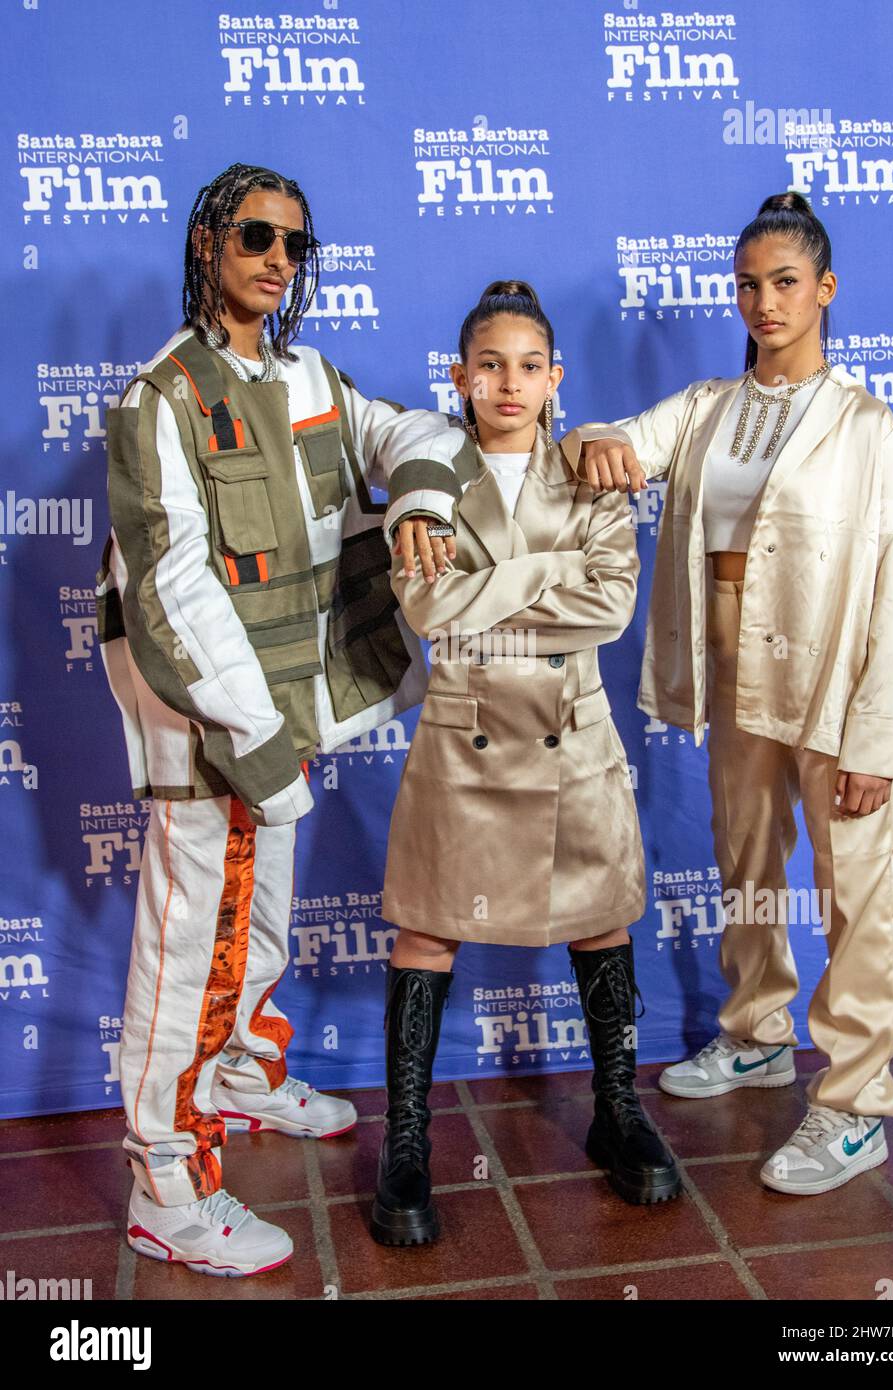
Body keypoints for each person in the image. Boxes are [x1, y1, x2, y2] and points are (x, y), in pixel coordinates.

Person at [96, 162, 451, 1275]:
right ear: (208, 244)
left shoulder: (306, 377)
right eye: (254, 236)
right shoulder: (160, 398)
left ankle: (243, 1070)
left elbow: (406, 432)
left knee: (263, 916)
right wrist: (250, 742)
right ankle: (164, 1178)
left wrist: (423, 502)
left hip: (285, 707)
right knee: (189, 939)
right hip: (204, 719)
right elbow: (170, 594)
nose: (275, 260)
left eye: (293, 243)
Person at [561, 193, 893, 1196]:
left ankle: (854, 1104)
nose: (764, 300)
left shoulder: (863, 424)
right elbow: (609, 438)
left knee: (857, 894)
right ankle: (758, 1030)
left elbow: (890, 582)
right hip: (729, 675)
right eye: (749, 284)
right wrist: (594, 441)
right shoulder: (709, 405)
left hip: (831, 686)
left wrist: (876, 737)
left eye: (785, 282)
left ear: (826, 289)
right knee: (749, 864)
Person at [370, 280, 682, 1248]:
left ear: (557, 378)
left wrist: (488, 588)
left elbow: (611, 607)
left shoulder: (595, 471)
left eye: (529, 365)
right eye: (490, 364)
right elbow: (425, 611)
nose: (511, 382)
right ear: (459, 378)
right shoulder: (426, 481)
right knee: (427, 930)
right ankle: (409, 1142)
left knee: (600, 921)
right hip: (462, 732)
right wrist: (554, 573)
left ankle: (616, 1108)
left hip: (572, 734)